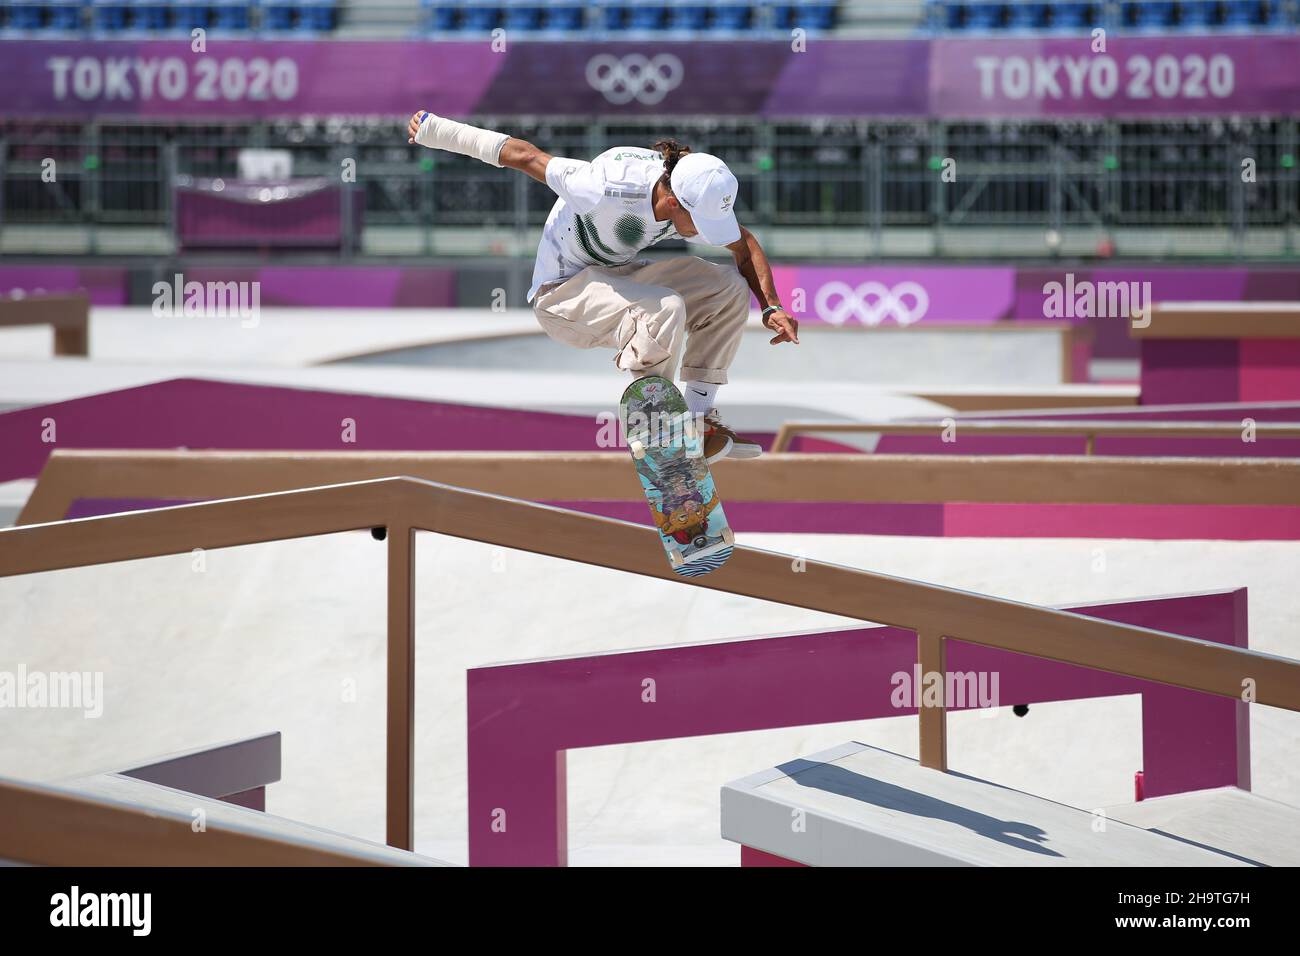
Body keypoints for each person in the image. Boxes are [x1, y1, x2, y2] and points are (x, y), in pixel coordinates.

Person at [408, 110, 799, 461]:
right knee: (664, 307)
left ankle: (697, 417)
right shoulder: (602, 187)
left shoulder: (688, 181)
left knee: (727, 287)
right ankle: (658, 424)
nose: (703, 233)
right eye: (700, 223)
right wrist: (435, 130)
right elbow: (524, 155)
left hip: (617, 278)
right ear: (675, 202)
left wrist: (771, 306)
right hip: (561, 296)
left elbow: (744, 245)